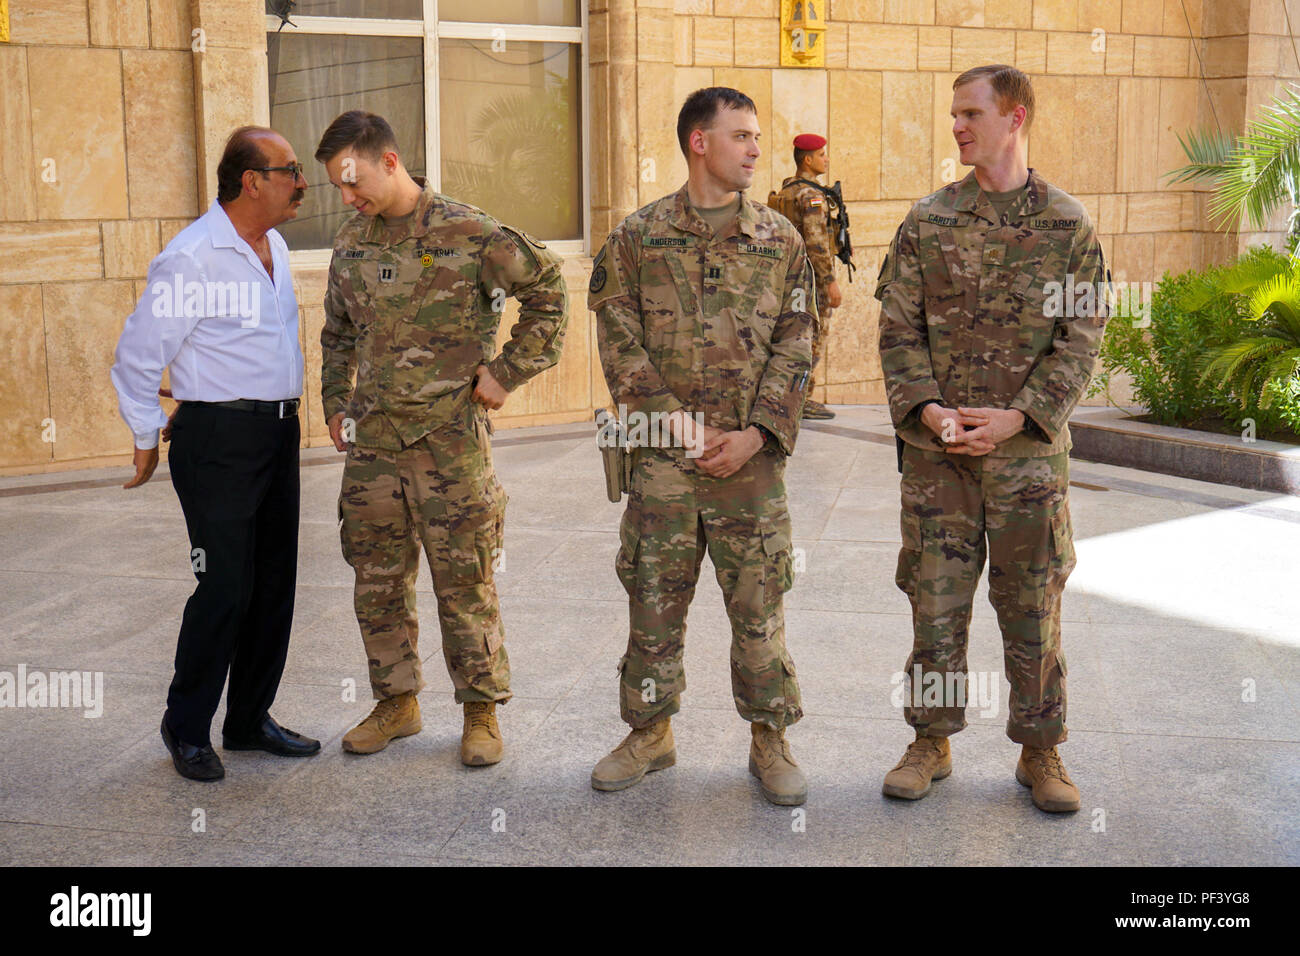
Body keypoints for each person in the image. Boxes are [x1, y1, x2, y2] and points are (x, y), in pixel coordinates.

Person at [874, 65, 1108, 813]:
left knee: (1032, 607)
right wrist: (932, 413)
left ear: (1016, 117)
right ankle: (930, 740)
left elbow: (1080, 340)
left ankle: (1041, 752)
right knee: (935, 606)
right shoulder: (928, 221)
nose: (957, 126)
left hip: (1027, 463)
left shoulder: (1069, 227)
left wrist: (1020, 417)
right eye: (953, 114)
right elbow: (897, 331)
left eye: (971, 112)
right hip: (939, 460)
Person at [316, 110, 568, 766]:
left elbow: (548, 291)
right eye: (338, 188)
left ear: (390, 162)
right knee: (376, 581)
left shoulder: (472, 232)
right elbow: (338, 332)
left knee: (465, 581)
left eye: (354, 181)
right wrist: (335, 401)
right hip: (373, 449)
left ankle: (481, 712)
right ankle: (396, 703)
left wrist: (507, 371)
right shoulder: (351, 243)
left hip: (449, 444)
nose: (347, 198)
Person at [588, 87, 816, 806]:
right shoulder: (638, 236)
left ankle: (769, 738)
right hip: (663, 464)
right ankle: (650, 733)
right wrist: (678, 425)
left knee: (759, 607)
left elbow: (799, 342)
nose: (755, 149)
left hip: (750, 467)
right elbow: (618, 343)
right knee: (653, 603)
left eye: (757, 137)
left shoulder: (781, 239)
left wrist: (755, 435)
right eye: (742, 136)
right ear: (699, 142)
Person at [111, 126, 319, 782]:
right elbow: (138, 355)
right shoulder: (193, 256)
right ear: (251, 180)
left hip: (277, 435)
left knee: (272, 585)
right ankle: (186, 724)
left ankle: (248, 720)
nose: (303, 182)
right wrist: (146, 437)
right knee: (224, 585)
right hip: (219, 444)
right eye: (290, 170)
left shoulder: (276, 245)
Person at [770, 133, 842, 420]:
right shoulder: (810, 195)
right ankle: (803, 398)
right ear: (808, 160)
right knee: (813, 338)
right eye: (822, 155)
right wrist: (829, 282)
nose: (826, 159)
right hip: (811, 280)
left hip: (789, 277)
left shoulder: (787, 191)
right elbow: (816, 242)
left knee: (791, 337)